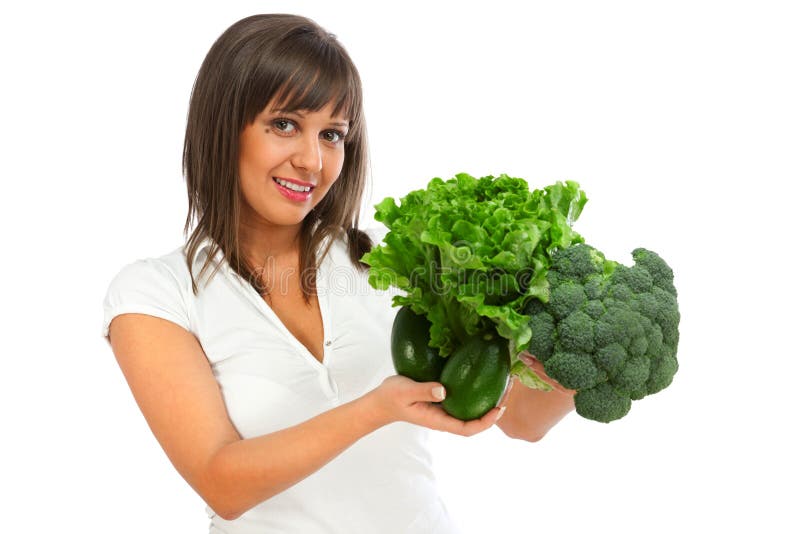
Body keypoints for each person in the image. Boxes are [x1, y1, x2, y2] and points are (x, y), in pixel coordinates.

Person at [101, 14, 576, 533]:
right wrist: (377, 408)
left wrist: (578, 344)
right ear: (224, 126)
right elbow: (222, 482)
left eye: (332, 134)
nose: (312, 160)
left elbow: (524, 422)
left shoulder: (390, 262)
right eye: (285, 124)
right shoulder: (157, 293)